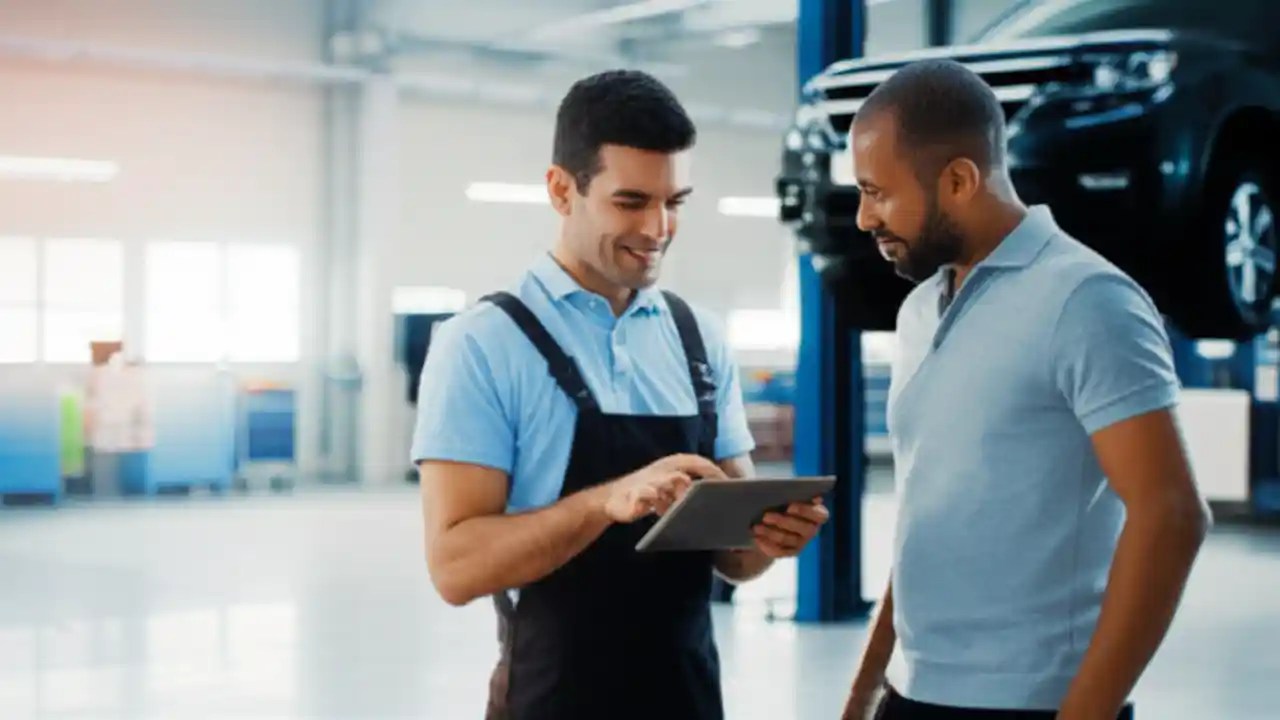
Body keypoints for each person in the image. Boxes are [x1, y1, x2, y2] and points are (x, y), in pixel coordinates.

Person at [412, 69, 830, 720]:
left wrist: (769, 537)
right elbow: (455, 568)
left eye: (675, 201)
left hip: (689, 702)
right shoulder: (482, 345)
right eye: (631, 202)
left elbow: (736, 562)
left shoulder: (699, 340)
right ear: (561, 189)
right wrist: (607, 502)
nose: (659, 227)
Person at [837, 60, 1212, 720]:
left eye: (878, 193)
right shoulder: (919, 309)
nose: (865, 217)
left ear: (958, 180)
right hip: (911, 697)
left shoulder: (1087, 299)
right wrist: (866, 694)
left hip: (1032, 706)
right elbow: (929, 514)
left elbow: (1171, 514)